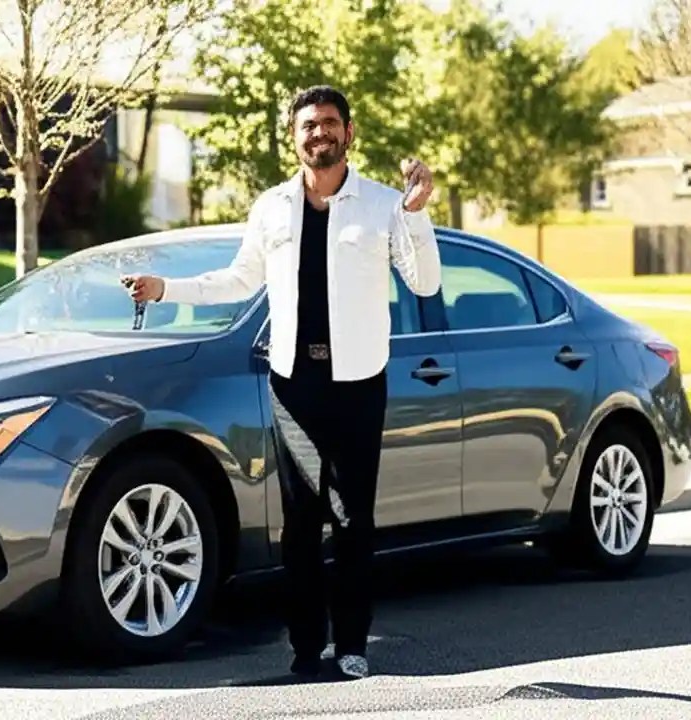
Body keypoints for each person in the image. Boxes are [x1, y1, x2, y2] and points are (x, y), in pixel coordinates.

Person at [123, 85, 442, 681]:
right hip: (294, 382)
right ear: (292, 137)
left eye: (328, 123)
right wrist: (168, 289)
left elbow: (423, 284)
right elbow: (239, 279)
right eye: (307, 126)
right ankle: (304, 646)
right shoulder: (271, 207)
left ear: (349, 133)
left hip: (357, 382)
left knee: (352, 518)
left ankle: (351, 644)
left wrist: (418, 214)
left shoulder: (383, 206)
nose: (318, 133)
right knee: (299, 520)